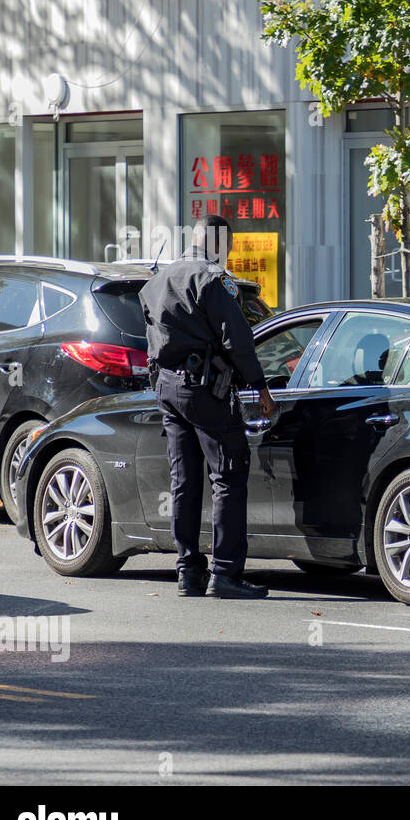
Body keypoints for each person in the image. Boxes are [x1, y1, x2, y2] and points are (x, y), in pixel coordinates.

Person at [139, 215, 276, 599]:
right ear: (219, 243)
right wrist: (260, 387)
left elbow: (151, 340)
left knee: (184, 481)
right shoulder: (213, 279)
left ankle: (188, 571)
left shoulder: (157, 280)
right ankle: (227, 574)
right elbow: (238, 340)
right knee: (229, 477)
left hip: (167, 387)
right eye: (228, 247)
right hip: (204, 391)